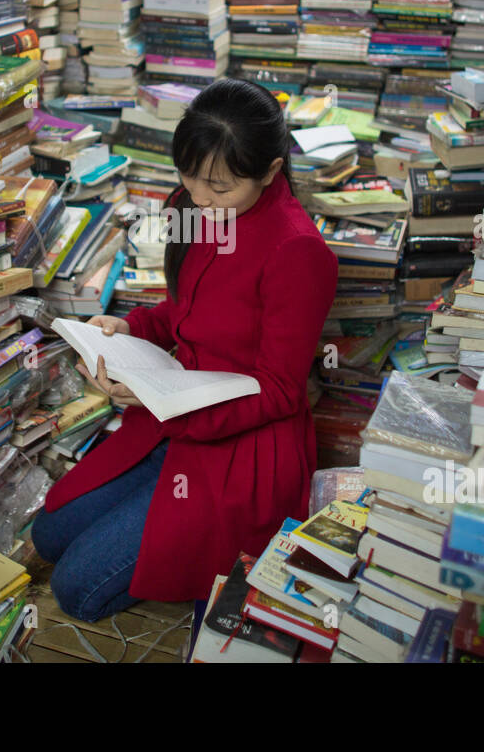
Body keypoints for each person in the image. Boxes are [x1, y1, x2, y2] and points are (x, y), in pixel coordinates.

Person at [31, 78, 339, 622]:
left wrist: (168, 405)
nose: (199, 198)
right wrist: (130, 328)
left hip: (241, 448)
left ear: (269, 172)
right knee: (48, 534)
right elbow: (186, 311)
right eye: (189, 176)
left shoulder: (298, 251)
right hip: (171, 418)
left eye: (219, 187)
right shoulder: (196, 207)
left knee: (76, 590)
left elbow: (282, 391)